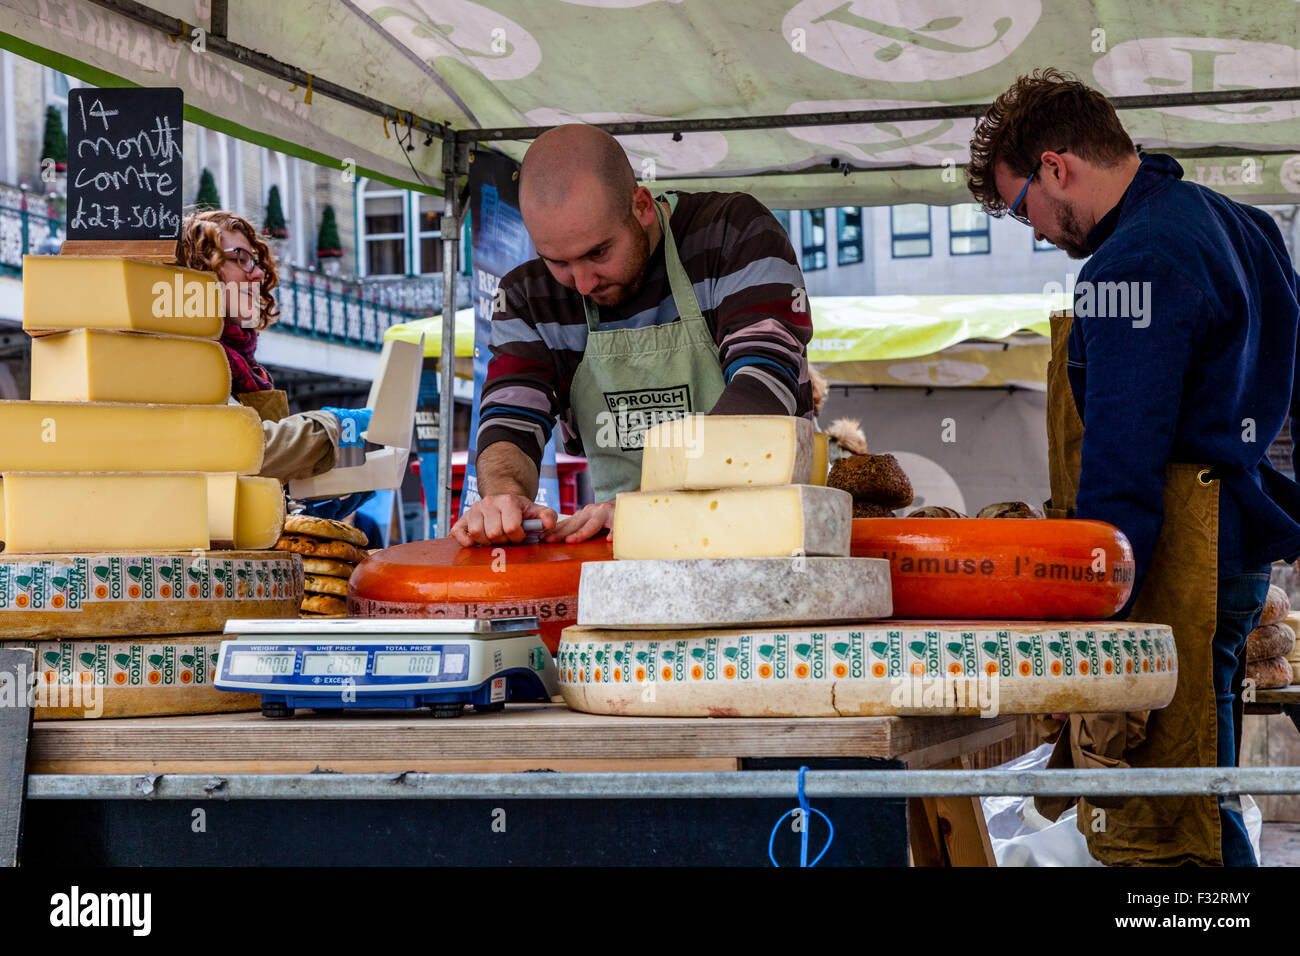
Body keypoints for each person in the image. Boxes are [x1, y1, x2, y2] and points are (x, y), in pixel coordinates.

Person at [966, 68, 1300, 866]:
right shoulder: (1246, 226)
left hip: (1168, 564)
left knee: (1168, 815)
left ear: (1056, 167)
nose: (1038, 231)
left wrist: (1094, 616)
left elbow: (1122, 463)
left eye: (1024, 210)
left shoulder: (1127, 267)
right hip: (1234, 544)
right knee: (1206, 791)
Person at [452, 124, 814, 547]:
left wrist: (650, 506)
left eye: (598, 252)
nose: (583, 282)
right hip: (623, 550)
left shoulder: (733, 234)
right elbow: (511, 420)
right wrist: (504, 497)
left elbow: (764, 386)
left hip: (768, 538)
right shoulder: (527, 295)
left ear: (641, 205)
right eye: (557, 261)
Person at [176, 210, 371, 484]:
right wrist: (334, 425)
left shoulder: (237, 360)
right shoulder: (181, 355)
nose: (256, 274)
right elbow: (242, 448)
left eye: (255, 262)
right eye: (240, 259)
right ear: (197, 270)